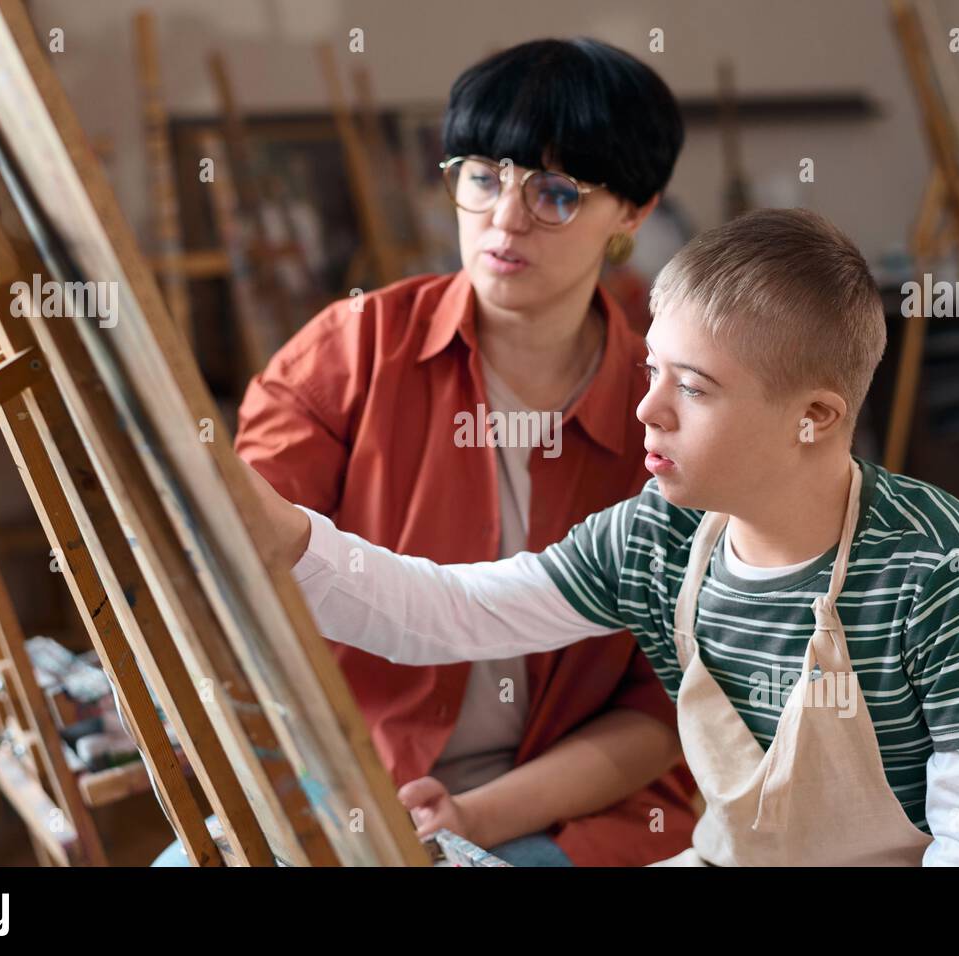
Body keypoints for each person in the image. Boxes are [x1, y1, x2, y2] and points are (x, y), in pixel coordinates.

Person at [250, 208, 959, 866]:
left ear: (815, 416)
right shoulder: (658, 537)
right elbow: (452, 612)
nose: (647, 410)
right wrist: (287, 537)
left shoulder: (948, 569)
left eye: (694, 388)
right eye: (652, 371)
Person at [215, 38, 700, 867]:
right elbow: (238, 565)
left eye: (555, 193)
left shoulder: (667, 417)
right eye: (480, 176)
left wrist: (472, 818)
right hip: (350, 784)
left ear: (634, 211)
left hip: (562, 807)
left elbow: (661, 710)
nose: (504, 221)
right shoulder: (348, 353)